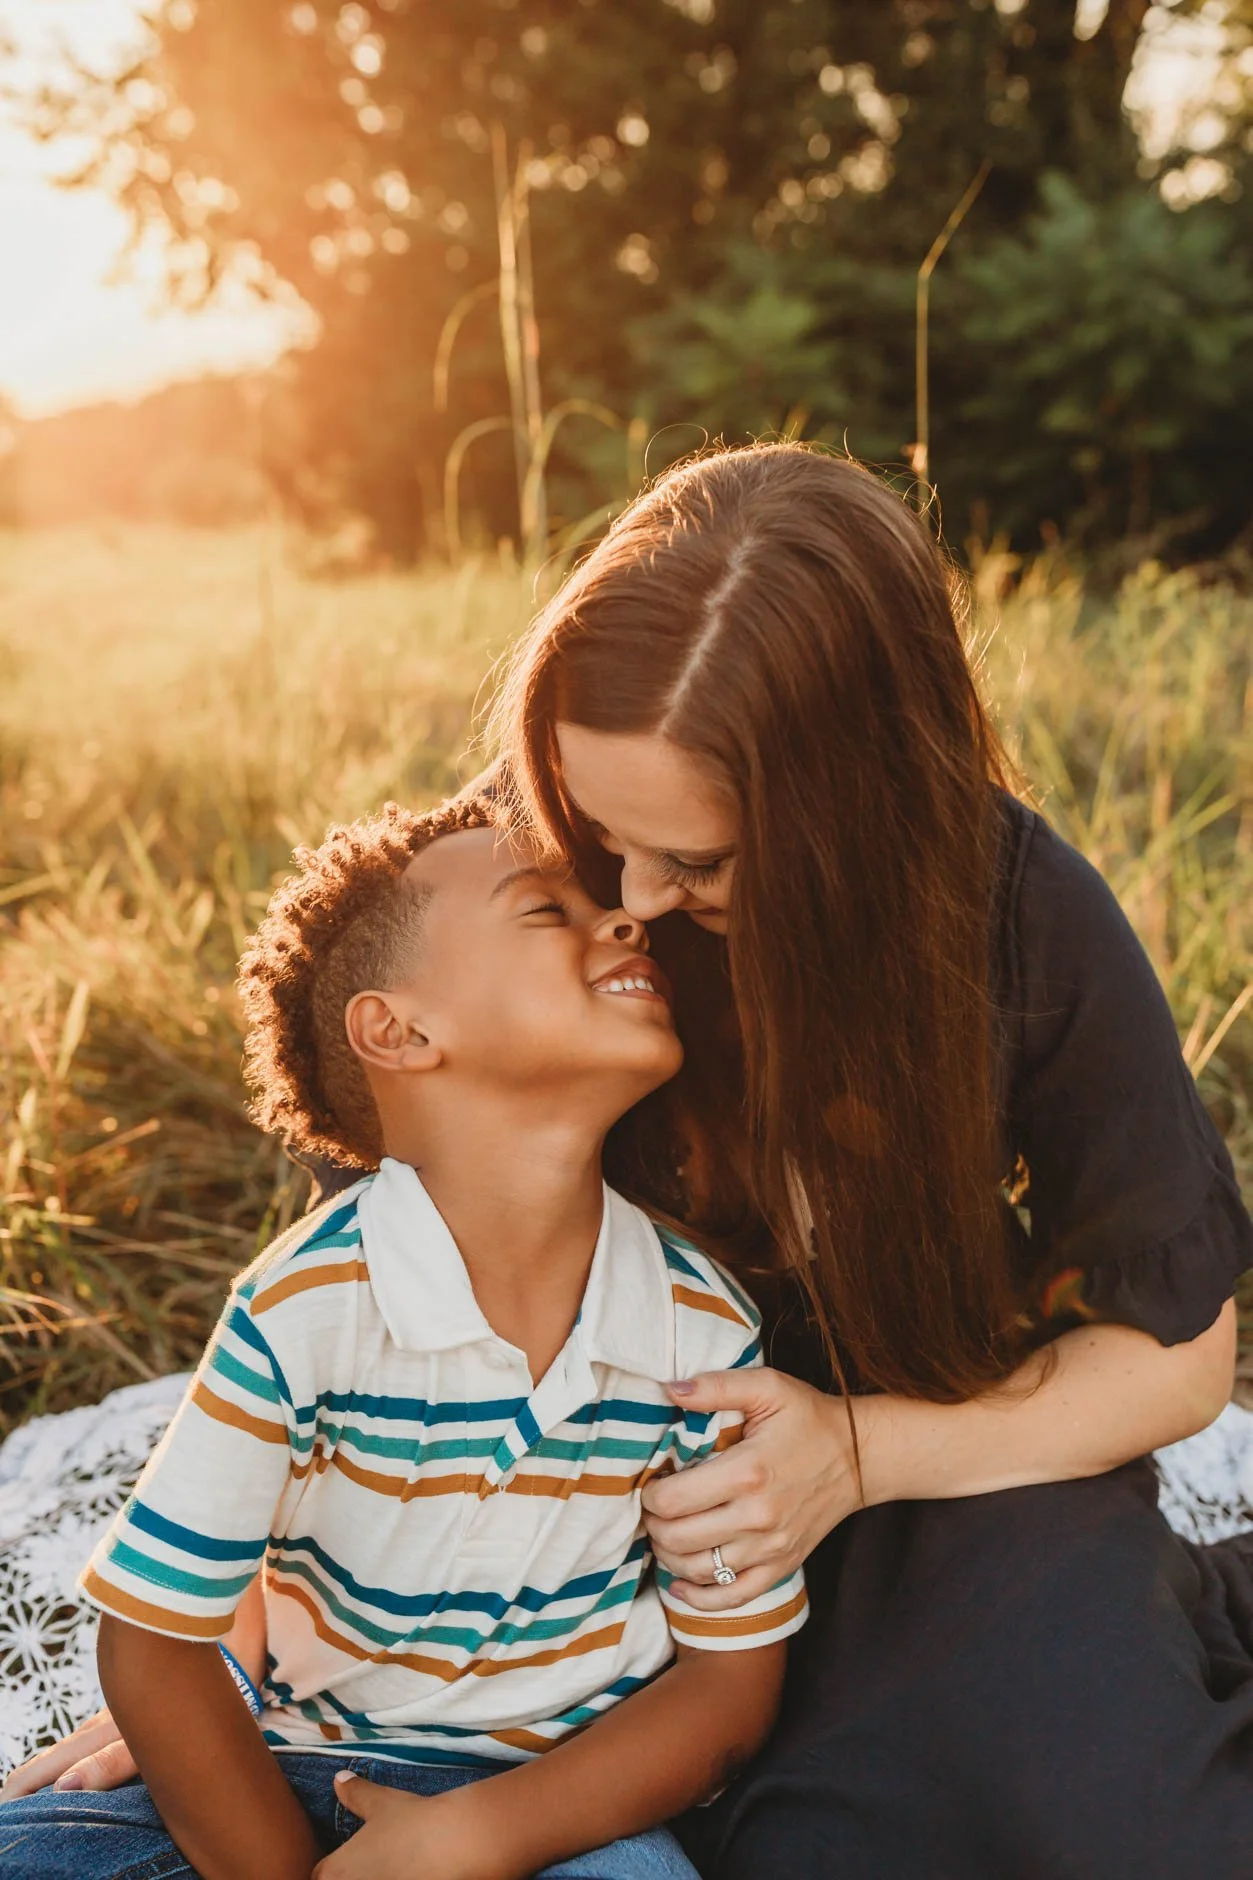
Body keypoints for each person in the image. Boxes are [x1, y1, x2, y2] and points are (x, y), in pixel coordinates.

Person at [490, 441, 1253, 1878]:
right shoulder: (523, 878)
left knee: (1114, 1840)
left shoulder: (1017, 916)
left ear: (855, 817)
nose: (636, 902)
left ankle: (1154, 1623)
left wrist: (857, 1453)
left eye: (701, 865)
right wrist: (255, 1619)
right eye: (604, 836)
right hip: (603, 1512)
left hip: (943, 1475)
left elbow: (1177, 1359)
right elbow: (364, 1250)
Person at [0, 795, 806, 1880]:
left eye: (606, 911)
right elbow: (153, 1642)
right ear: (401, 1030)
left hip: (556, 1819)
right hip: (287, 1775)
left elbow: (725, 1691)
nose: (623, 923)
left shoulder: (700, 1326)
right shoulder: (304, 1306)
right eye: (542, 912)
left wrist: (480, 1831)